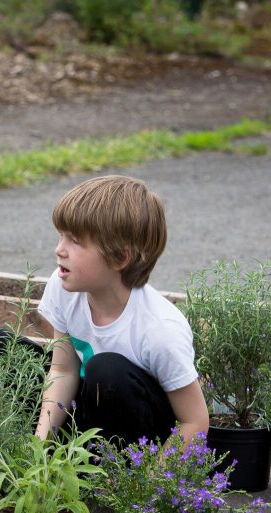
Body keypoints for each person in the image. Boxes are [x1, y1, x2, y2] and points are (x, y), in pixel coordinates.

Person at [33, 175, 209, 447]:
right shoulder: (63, 287)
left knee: (106, 370)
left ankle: (108, 471)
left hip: (140, 440)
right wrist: (39, 447)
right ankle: (58, 455)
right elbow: (63, 370)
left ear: (119, 258)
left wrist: (152, 480)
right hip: (86, 408)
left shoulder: (159, 330)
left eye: (75, 241)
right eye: (60, 236)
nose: (59, 250)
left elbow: (195, 422)